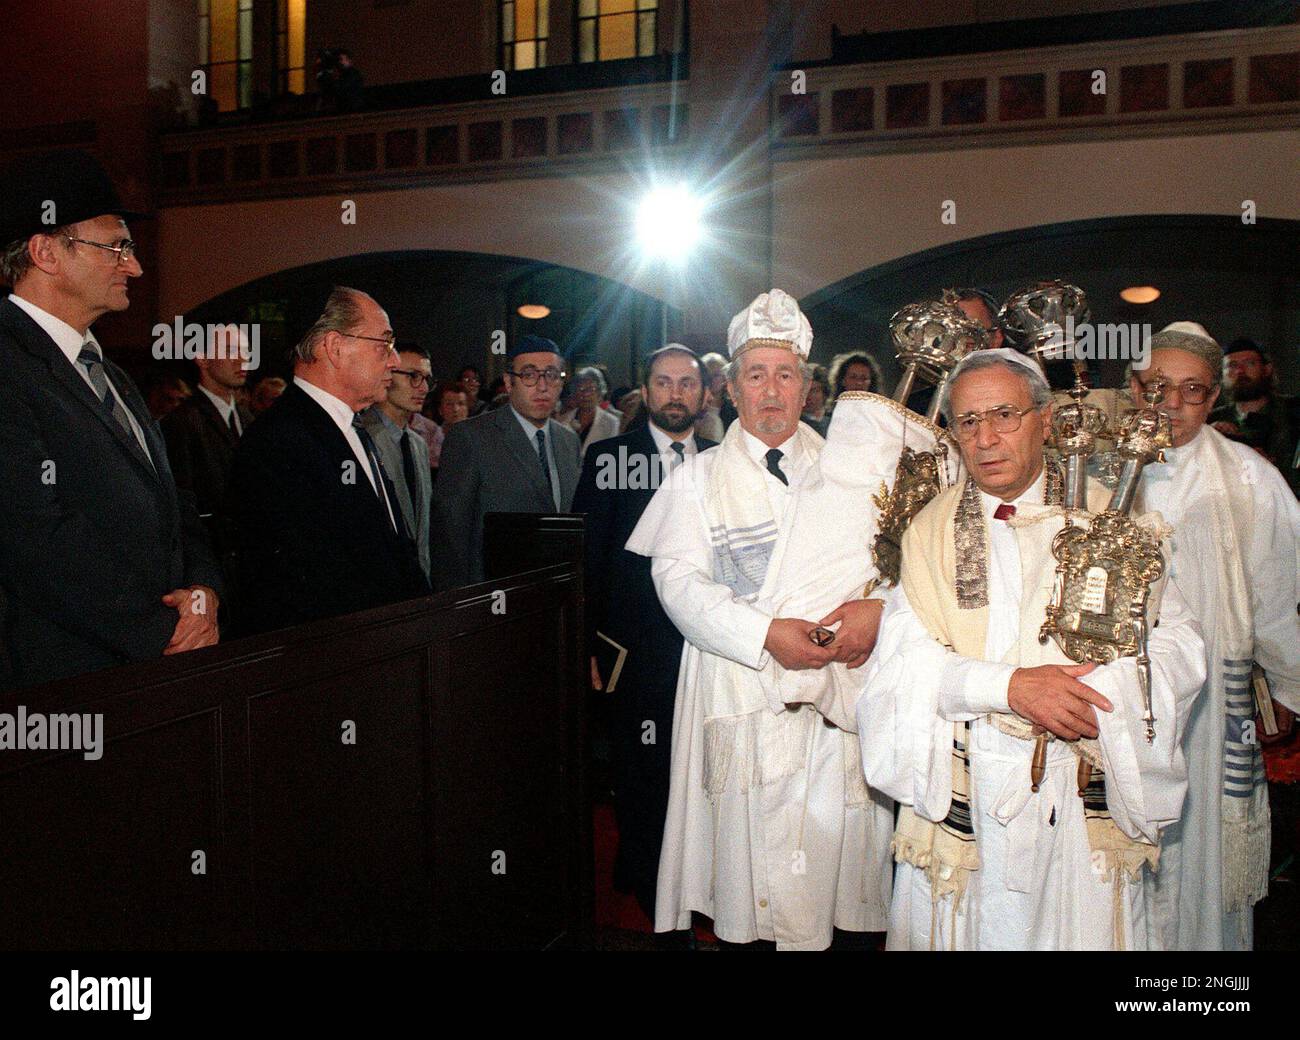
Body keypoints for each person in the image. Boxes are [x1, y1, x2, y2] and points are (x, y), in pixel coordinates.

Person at [858, 348, 1207, 949]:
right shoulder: (929, 532)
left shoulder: (1112, 518)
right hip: (970, 791)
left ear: (1045, 420)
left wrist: (1097, 695)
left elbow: (1179, 646)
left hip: (1077, 784)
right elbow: (901, 666)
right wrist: (1011, 688)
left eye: (1004, 416)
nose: (986, 438)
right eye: (968, 421)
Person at [626, 290, 894, 950]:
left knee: (839, 896)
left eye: (784, 374)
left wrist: (877, 612)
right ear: (731, 389)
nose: (770, 392)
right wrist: (765, 636)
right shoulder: (696, 479)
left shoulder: (854, 474)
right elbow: (677, 583)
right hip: (740, 690)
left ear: (807, 387)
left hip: (838, 705)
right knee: (750, 901)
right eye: (755, 375)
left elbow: (901, 570)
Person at [0, 148, 222, 688]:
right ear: (46, 252)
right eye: (117, 247)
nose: (136, 266)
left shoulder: (112, 374)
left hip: (152, 663)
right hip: (64, 680)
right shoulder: (8, 363)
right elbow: (32, 536)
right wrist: (159, 631)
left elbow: (176, 503)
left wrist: (203, 593)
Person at [1130, 322, 1300, 950]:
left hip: (1207, 707)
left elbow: (1279, 596)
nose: (1171, 405)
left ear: (1212, 398)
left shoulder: (1248, 478)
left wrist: (1286, 685)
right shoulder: (1088, 467)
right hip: (1114, 700)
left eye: (1192, 391)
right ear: (1133, 386)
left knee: (1199, 862)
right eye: (1156, 387)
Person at [573, 344, 716, 923]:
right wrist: (587, 644)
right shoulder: (609, 458)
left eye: (687, 383)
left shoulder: (720, 459)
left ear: (705, 395)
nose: (676, 393)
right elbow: (586, 561)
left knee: (702, 767)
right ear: (646, 391)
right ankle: (648, 877)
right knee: (643, 765)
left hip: (708, 647)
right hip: (635, 648)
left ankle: (698, 881)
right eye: (664, 382)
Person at [230, 287, 429, 635]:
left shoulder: (355, 429)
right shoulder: (278, 441)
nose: (394, 360)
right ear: (336, 348)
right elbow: (302, 586)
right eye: (384, 344)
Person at [430, 335, 581, 591]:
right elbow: (451, 535)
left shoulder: (569, 441)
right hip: (494, 596)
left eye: (552, 375)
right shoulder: (471, 437)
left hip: (556, 594)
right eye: (530, 375)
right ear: (509, 383)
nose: (542, 386)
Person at [162, 323, 253, 558]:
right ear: (202, 359)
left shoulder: (249, 418)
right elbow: (182, 500)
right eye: (231, 351)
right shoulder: (182, 422)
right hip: (210, 555)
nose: (243, 360)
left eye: (246, 351)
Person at [360, 344, 434, 582]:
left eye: (426, 379)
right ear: (387, 372)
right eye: (413, 376)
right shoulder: (361, 437)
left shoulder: (418, 444)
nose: (422, 387)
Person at [1209, 338, 1300, 497]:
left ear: (1267, 369)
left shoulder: (1294, 412)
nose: (1240, 371)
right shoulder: (1210, 421)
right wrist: (1209, 436)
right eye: (1232, 365)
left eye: (1249, 363)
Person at [558, 366, 622, 458]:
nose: (586, 394)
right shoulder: (563, 420)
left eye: (591, 389)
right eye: (581, 389)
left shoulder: (611, 422)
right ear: (574, 393)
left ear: (600, 393)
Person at [801, 363, 830, 436]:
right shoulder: (793, 424)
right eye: (804, 391)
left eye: (814, 391)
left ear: (824, 393)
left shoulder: (836, 419)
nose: (808, 396)